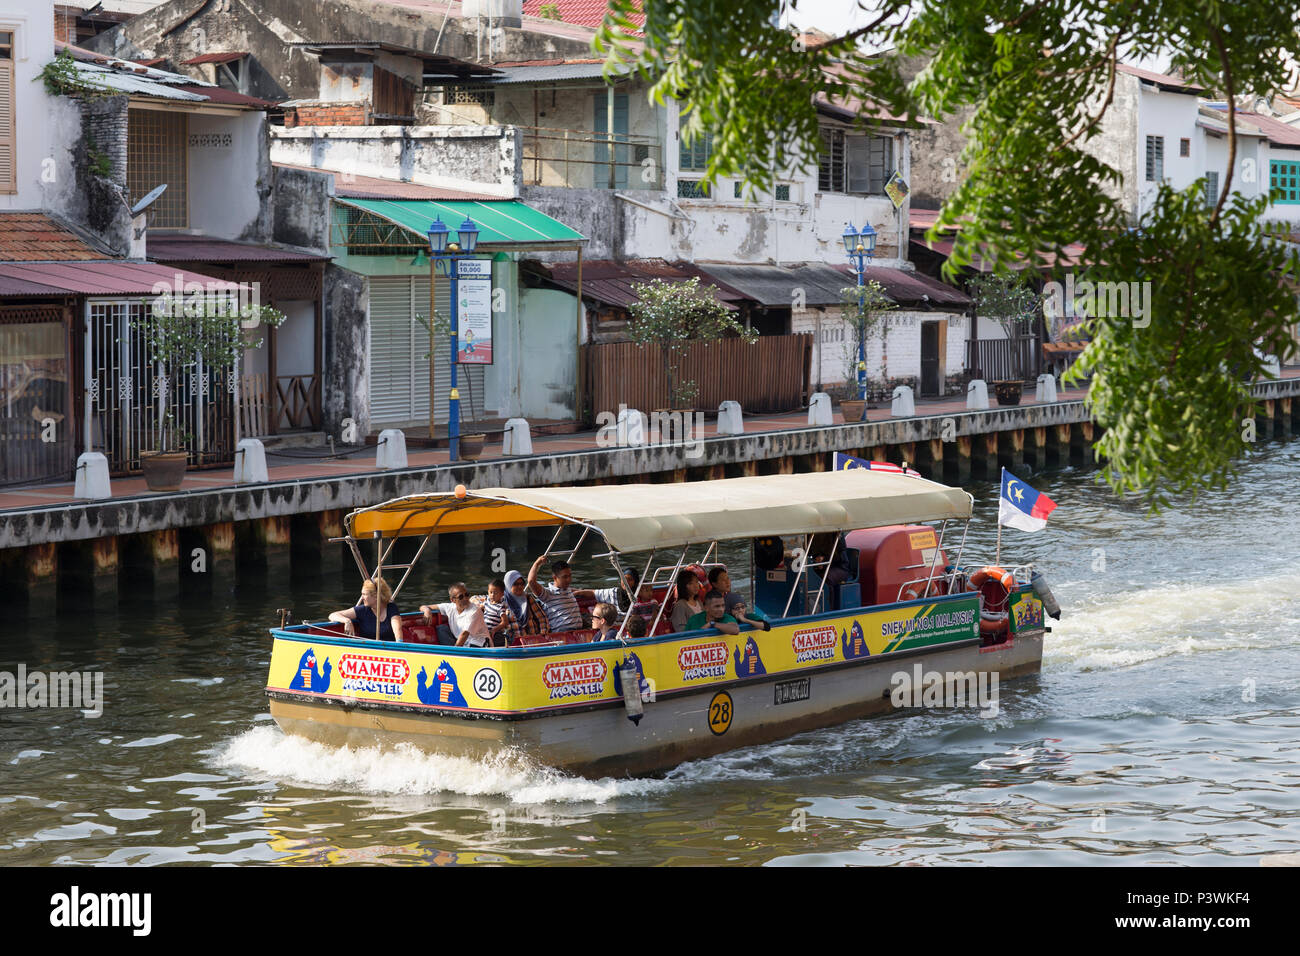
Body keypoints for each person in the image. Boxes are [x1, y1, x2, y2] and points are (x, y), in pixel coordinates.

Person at [527, 555, 593, 632]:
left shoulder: (569, 590)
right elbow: (531, 581)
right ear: (555, 578)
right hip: (562, 634)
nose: (569, 580)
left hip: (579, 632)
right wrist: (537, 563)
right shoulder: (547, 594)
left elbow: (589, 593)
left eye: (570, 576)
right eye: (565, 577)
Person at [330, 577, 405, 642]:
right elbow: (333, 615)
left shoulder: (391, 608)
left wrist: (399, 645)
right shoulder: (362, 610)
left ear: (376, 596)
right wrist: (347, 621)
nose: (362, 598)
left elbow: (397, 630)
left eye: (364, 594)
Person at [421, 583, 490, 647]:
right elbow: (424, 606)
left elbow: (464, 634)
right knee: (441, 628)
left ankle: (450, 654)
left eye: (467, 594)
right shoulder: (449, 607)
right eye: (461, 597)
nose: (465, 598)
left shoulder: (475, 611)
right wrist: (427, 611)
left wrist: (455, 653)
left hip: (479, 644)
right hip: (461, 644)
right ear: (452, 600)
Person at [707, 566, 771, 631]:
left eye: (728, 578)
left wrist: (744, 620)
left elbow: (767, 627)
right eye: (723, 580)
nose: (727, 582)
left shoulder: (732, 598)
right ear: (714, 584)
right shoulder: (710, 601)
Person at [504, 569, 550, 637]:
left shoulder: (528, 598)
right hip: (514, 643)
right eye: (515, 584)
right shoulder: (502, 601)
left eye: (522, 584)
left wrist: (542, 634)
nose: (520, 586)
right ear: (508, 584)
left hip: (533, 640)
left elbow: (542, 618)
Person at [480, 578, 519, 647]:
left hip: (494, 631)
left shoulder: (500, 607)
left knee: (495, 639)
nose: (492, 595)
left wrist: (494, 630)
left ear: (502, 594)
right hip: (484, 628)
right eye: (490, 592)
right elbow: (480, 608)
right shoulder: (487, 601)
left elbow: (505, 622)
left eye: (495, 593)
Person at [669, 568, 705, 632]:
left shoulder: (698, 602)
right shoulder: (680, 605)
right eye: (690, 583)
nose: (695, 586)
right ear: (683, 586)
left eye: (696, 582)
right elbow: (680, 629)